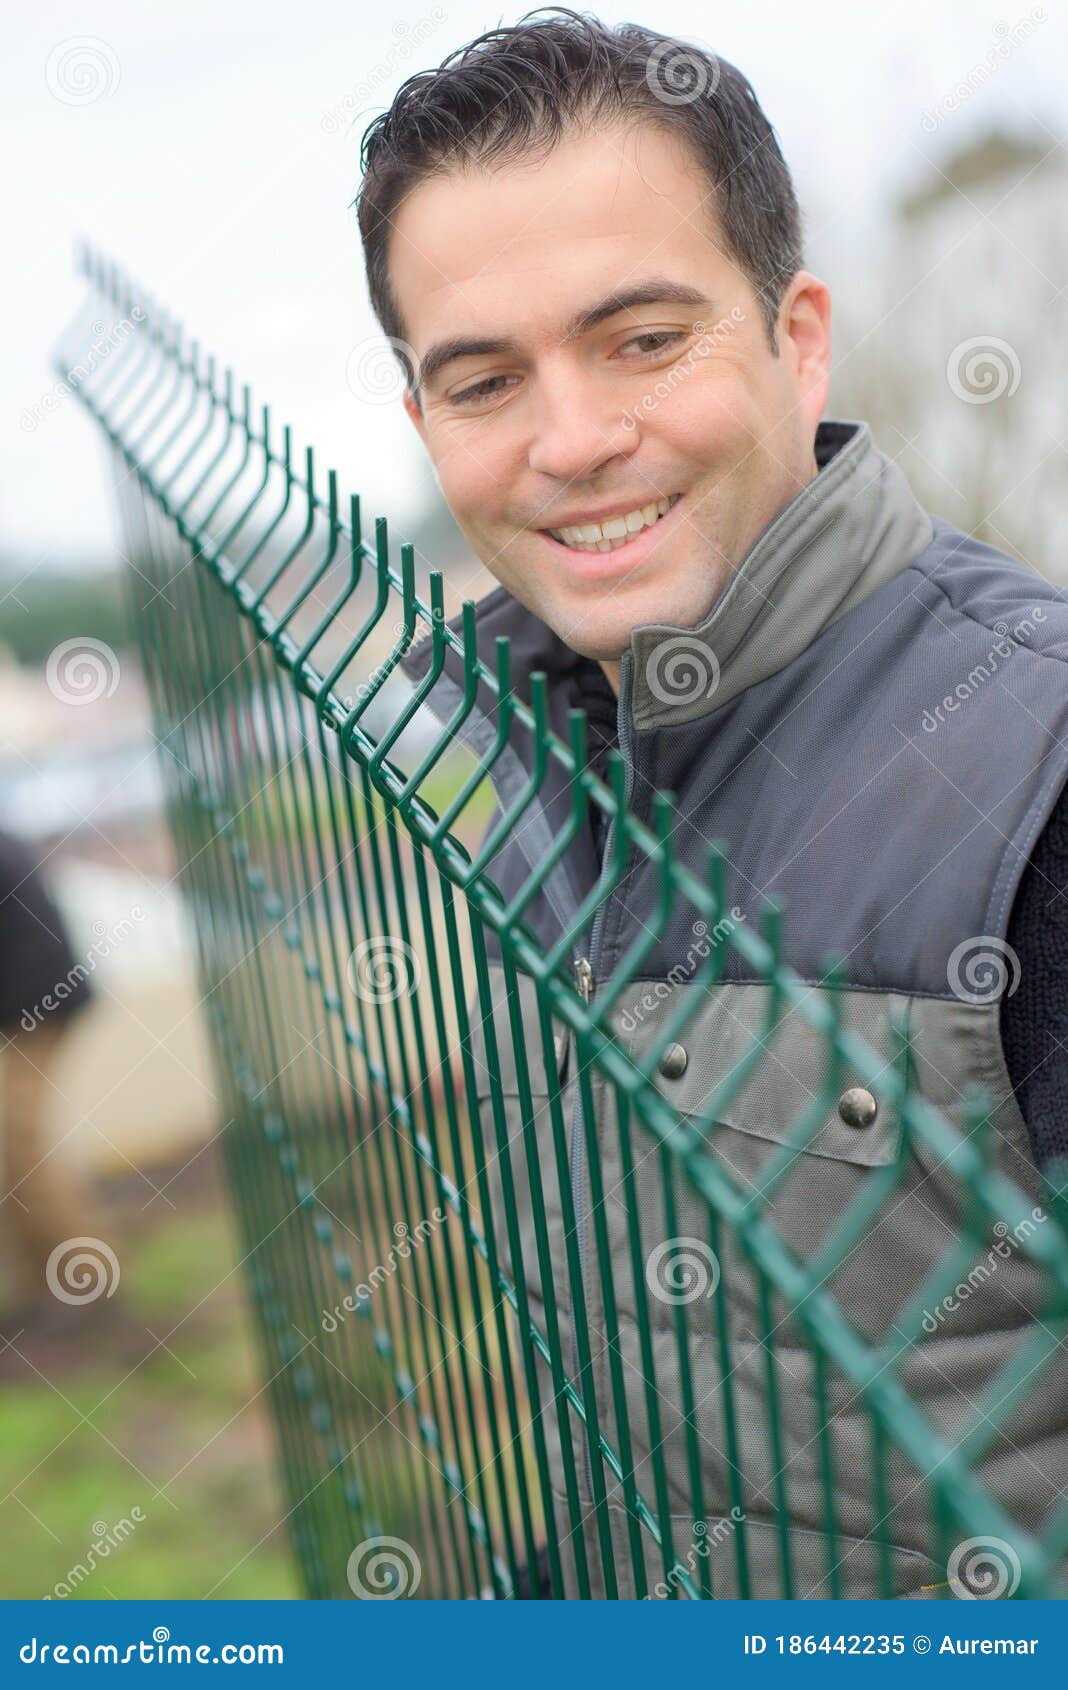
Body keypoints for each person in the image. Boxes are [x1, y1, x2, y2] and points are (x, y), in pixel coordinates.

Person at [356, 9, 1068, 1597]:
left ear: (796, 336)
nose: (574, 441)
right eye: (483, 379)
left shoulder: (1041, 765)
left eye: (644, 339)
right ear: (423, 424)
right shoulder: (540, 774)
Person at [0, 827, 95, 1316]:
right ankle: (40, 1287)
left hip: (37, 1007)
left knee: (23, 1146)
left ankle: (82, 1286)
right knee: (16, 1149)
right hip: (31, 1002)